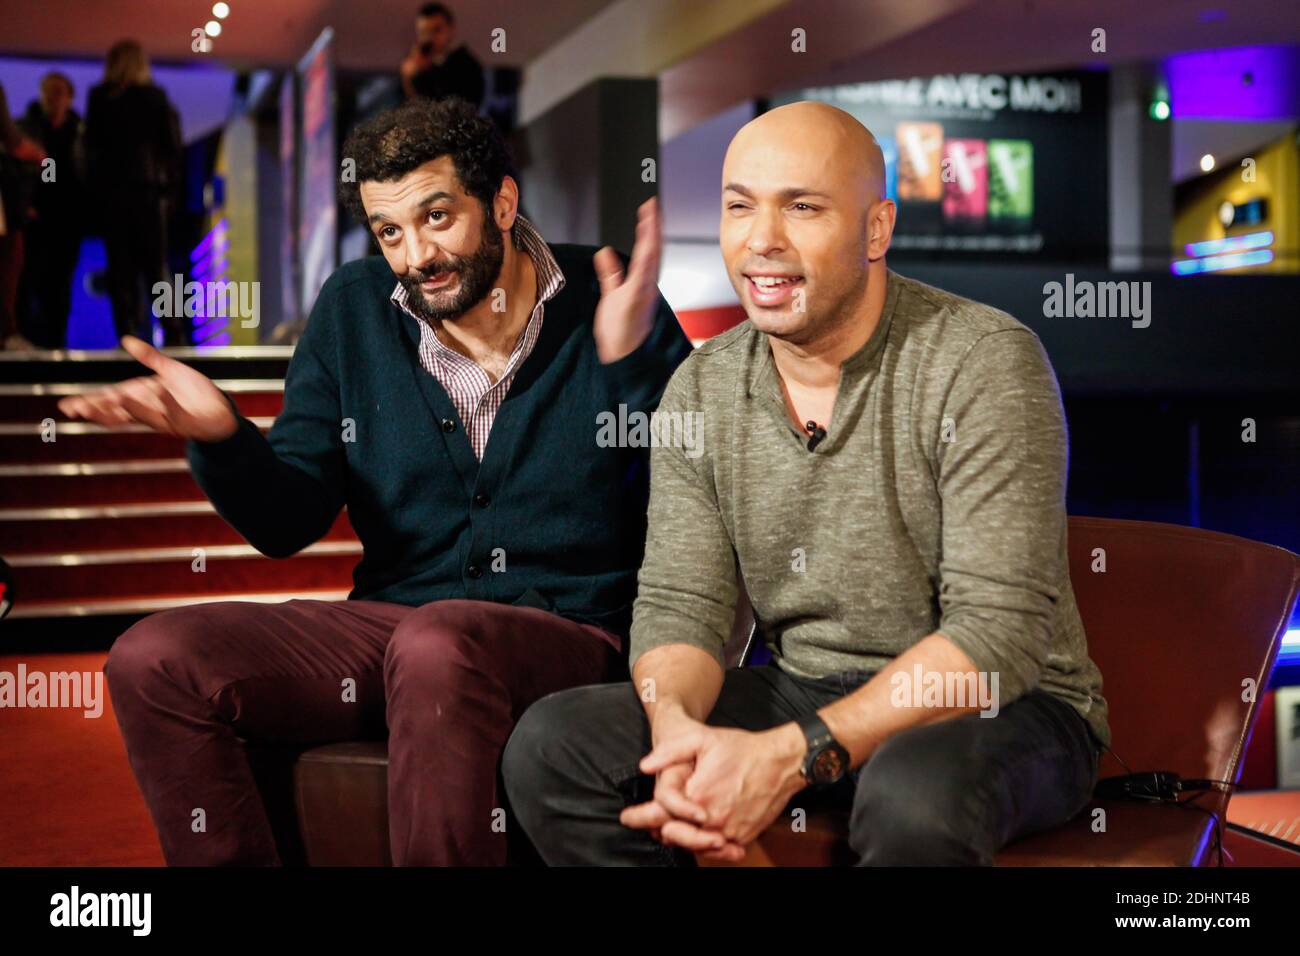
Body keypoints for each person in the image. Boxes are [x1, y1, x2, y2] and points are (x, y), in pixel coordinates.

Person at [58, 96, 692, 866]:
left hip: (570, 631)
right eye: (390, 231)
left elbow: (694, 505)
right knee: (153, 658)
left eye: (436, 217)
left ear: (501, 202)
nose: (415, 255)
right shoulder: (356, 308)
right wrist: (222, 436)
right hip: (400, 628)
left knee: (437, 643)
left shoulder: (611, 300)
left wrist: (632, 373)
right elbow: (290, 516)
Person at [503, 101, 1111, 866]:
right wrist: (679, 740)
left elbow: (998, 638)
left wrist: (792, 757)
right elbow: (680, 606)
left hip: (1006, 705)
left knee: (910, 796)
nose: (762, 240)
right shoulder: (702, 386)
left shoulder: (982, 359)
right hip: (807, 686)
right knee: (553, 748)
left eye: (803, 207)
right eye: (739, 207)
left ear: (876, 229)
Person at [85, 40, 183, 346]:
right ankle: (173, 332)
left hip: (114, 194)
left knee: (121, 269)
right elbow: (171, 149)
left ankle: (127, 336)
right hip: (148, 193)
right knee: (155, 266)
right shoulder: (154, 97)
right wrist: (169, 191)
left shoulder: (100, 98)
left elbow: (92, 148)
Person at [17, 72, 86, 350]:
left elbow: (85, 172)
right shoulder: (27, 129)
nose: (53, 98)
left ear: (69, 97)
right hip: (35, 219)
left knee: (60, 283)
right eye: (48, 91)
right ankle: (25, 339)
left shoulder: (81, 132)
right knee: (29, 280)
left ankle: (56, 343)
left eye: (59, 92)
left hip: (69, 219)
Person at [0, 82, 46, 351]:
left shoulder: (75, 128)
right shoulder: (32, 128)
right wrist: (40, 159)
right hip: (19, 207)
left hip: (43, 212)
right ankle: (7, 333)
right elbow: (13, 141)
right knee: (8, 259)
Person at [401, 3, 485, 108]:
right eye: (423, 32)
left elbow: (453, 108)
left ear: (452, 29)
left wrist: (425, 73)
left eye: (436, 30)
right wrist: (409, 78)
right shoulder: (416, 62)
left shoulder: (468, 66)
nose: (429, 37)